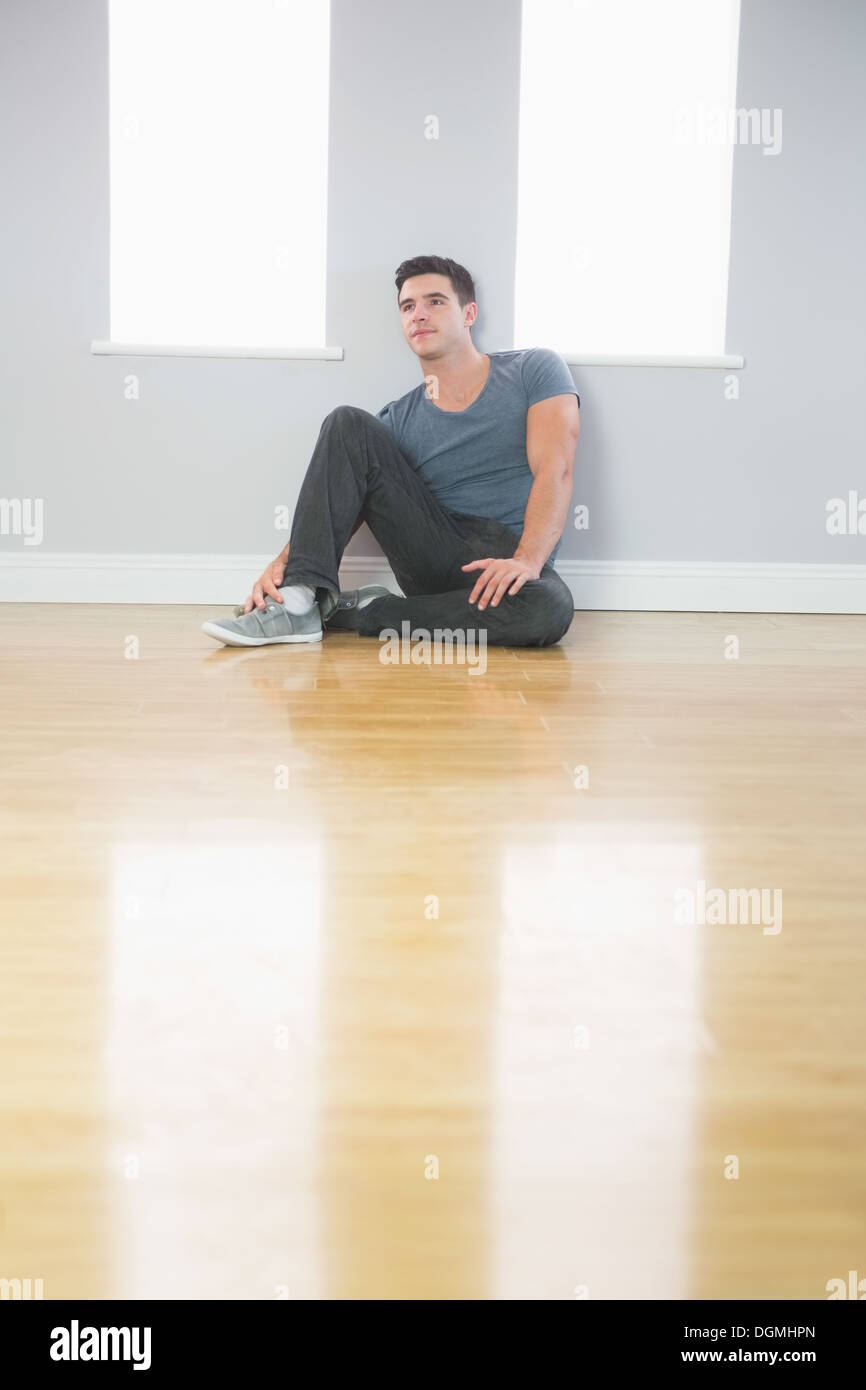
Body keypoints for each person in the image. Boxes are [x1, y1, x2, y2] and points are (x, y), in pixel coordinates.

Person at [202, 254, 581, 650]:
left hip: (512, 560)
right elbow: (336, 498)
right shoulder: (396, 420)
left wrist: (526, 561)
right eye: (407, 306)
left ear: (469, 313)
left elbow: (555, 467)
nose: (419, 314)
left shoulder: (534, 369)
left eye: (435, 301)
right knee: (348, 422)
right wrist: (286, 568)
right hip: (438, 552)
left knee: (550, 608)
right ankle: (299, 604)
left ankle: (365, 613)